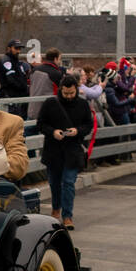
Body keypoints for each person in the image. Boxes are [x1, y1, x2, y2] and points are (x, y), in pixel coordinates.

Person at [36, 74, 93, 229]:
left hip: (73, 149)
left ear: (76, 90)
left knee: (68, 182)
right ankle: (56, 209)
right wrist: (53, 131)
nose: (68, 96)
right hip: (53, 149)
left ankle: (67, 215)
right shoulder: (51, 103)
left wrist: (77, 130)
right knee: (54, 183)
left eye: (71, 93)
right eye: (65, 93)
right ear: (60, 89)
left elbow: (89, 125)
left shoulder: (82, 104)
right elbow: (40, 124)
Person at [0, 40, 32, 118]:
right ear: (9, 48)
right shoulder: (6, 60)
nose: (18, 51)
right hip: (10, 99)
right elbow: (11, 80)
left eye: (19, 49)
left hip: (18, 98)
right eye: (16, 48)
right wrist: (23, 88)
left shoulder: (16, 61)